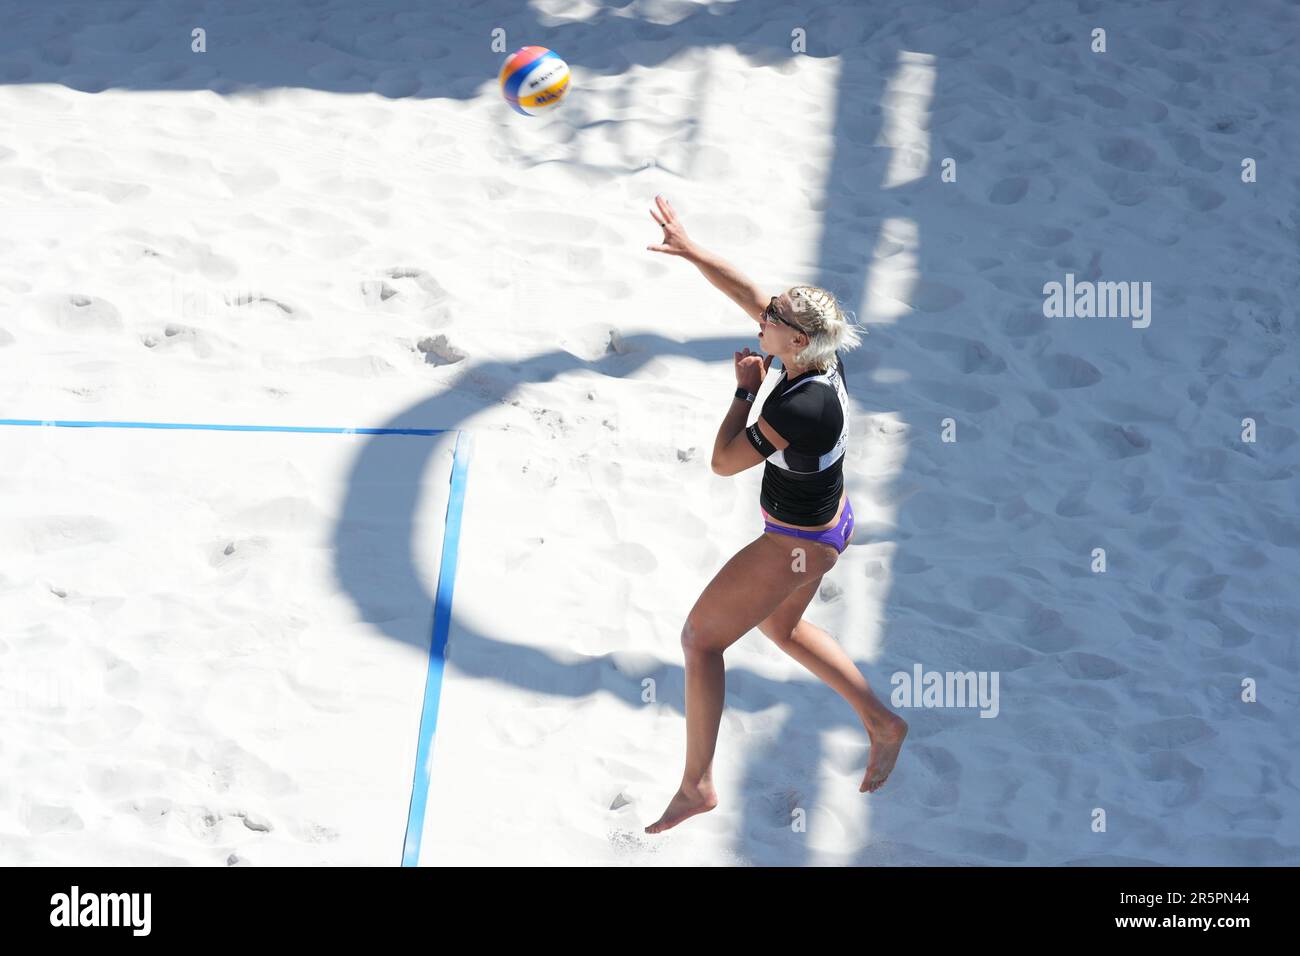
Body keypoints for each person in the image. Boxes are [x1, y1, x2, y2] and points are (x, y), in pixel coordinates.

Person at [643, 194, 907, 834]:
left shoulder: (799, 404)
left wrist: (742, 390)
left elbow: (725, 462)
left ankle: (697, 784)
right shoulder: (817, 356)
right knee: (781, 630)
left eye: (774, 318)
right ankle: (881, 719)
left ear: (795, 338)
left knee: (701, 641)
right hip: (829, 524)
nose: (762, 317)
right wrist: (692, 248)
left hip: (796, 543)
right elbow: (750, 293)